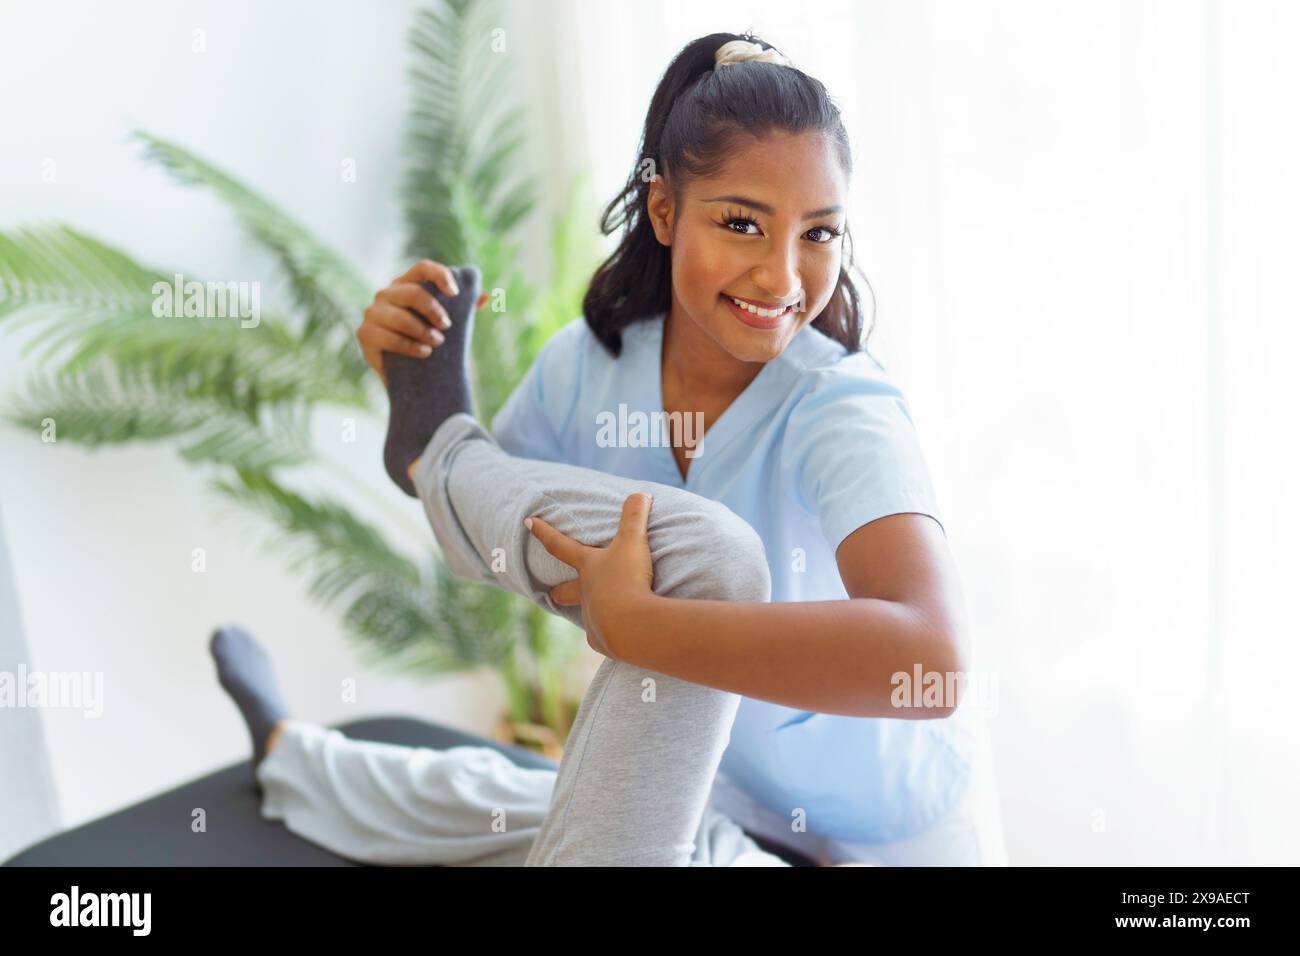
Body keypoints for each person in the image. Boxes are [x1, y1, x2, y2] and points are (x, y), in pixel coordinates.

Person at [214, 31, 1007, 866]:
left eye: (819, 234)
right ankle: (296, 753)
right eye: (743, 223)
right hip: (720, 799)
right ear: (663, 210)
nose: (782, 276)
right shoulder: (592, 366)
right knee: (518, 800)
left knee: (703, 574)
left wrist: (643, 628)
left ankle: (436, 444)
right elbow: (491, 528)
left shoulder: (842, 409)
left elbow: (933, 661)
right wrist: (407, 398)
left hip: (887, 839)